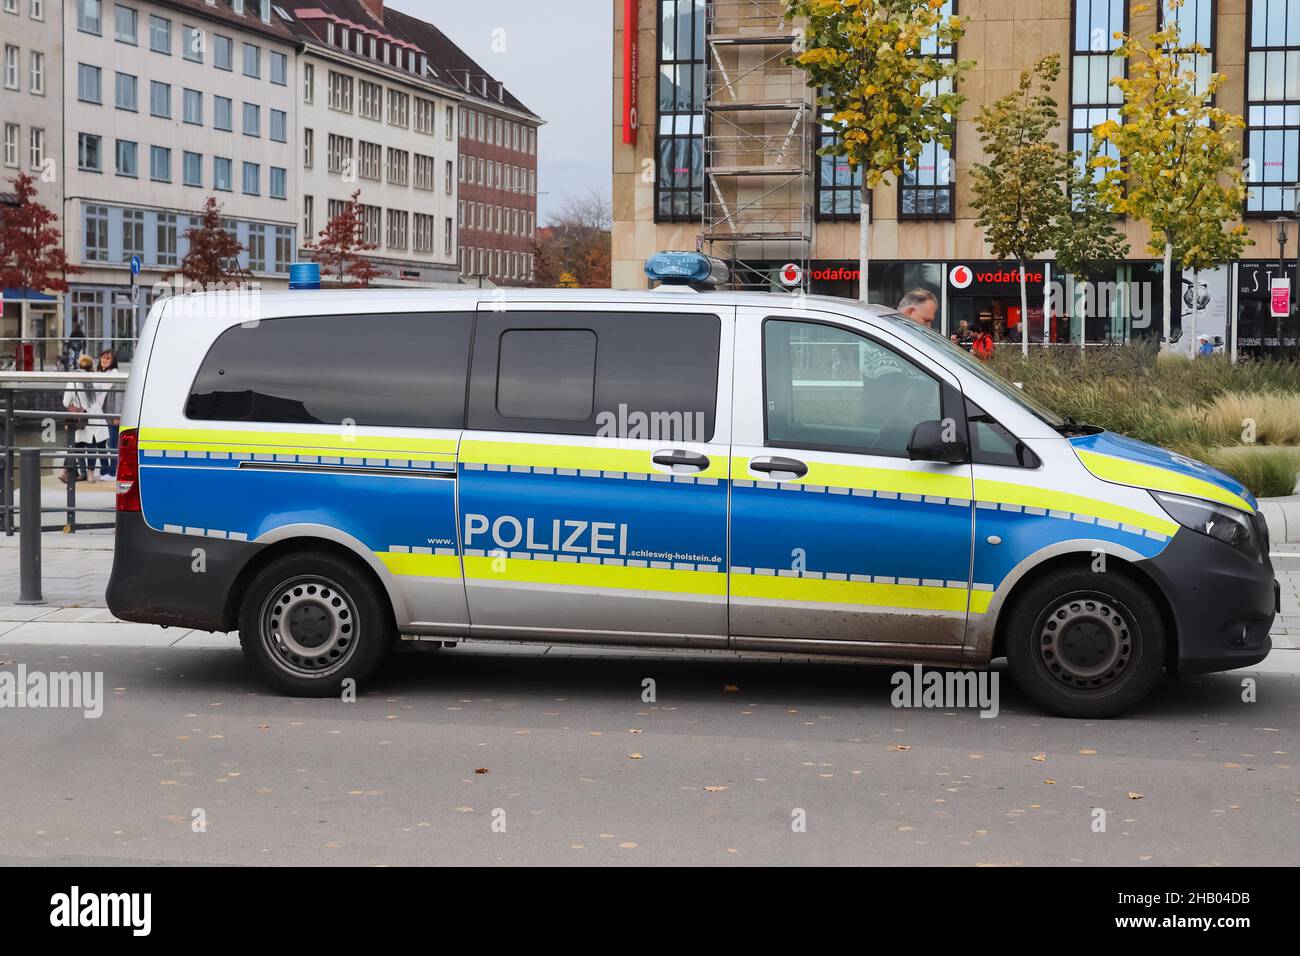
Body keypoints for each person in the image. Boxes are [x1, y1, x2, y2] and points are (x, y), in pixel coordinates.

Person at [61, 355, 107, 483]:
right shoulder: (95, 379)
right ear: (91, 366)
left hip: (80, 418)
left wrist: (75, 403)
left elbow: (65, 402)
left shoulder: (72, 381)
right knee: (92, 445)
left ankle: (67, 470)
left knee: (77, 445)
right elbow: (101, 394)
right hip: (94, 417)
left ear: (78, 366)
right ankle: (90, 474)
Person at [97, 349, 121, 480]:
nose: (104, 360)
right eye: (103, 357)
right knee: (100, 442)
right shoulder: (98, 374)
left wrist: (117, 415)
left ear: (113, 361)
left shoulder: (115, 375)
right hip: (99, 413)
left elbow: (119, 396)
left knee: (112, 442)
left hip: (111, 414)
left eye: (108, 358)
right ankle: (104, 469)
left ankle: (113, 472)